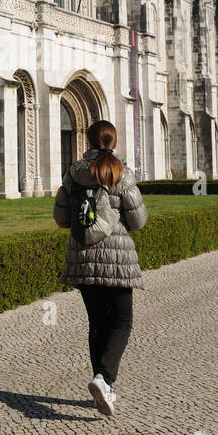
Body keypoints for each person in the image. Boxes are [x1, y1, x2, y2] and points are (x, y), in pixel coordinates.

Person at [53, 120, 148, 418]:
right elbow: (138, 221)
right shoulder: (122, 174)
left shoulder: (74, 173)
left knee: (97, 323)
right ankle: (104, 379)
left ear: (88, 140)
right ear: (113, 142)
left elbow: (61, 218)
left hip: (82, 256)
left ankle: (103, 383)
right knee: (121, 322)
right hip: (118, 259)